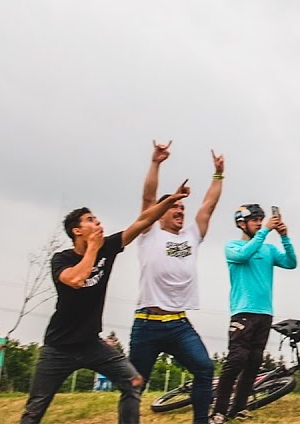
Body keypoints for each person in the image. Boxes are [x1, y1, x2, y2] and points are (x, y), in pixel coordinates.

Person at [18, 186, 189, 424]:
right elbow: (76, 279)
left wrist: (170, 200)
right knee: (35, 409)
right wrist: (93, 250)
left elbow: (142, 221)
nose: (97, 222)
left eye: (97, 218)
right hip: (58, 348)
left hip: (91, 344)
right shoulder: (62, 259)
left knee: (133, 382)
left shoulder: (107, 247)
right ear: (77, 231)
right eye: (90, 220)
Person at [128, 141, 223, 424]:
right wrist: (156, 162)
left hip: (178, 325)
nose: (180, 210)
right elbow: (148, 198)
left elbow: (208, 205)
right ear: (162, 212)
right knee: (135, 385)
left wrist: (218, 174)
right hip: (147, 324)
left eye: (182, 207)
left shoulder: (191, 236)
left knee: (205, 369)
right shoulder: (149, 234)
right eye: (174, 207)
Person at [209, 204, 296, 424]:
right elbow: (245, 255)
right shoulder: (233, 246)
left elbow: (291, 262)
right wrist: (266, 231)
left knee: (254, 362)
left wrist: (285, 237)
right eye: (255, 220)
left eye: (261, 220)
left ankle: (239, 408)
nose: (259, 223)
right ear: (242, 223)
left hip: (265, 313)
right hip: (242, 312)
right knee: (236, 360)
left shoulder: (268, 249)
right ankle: (218, 410)